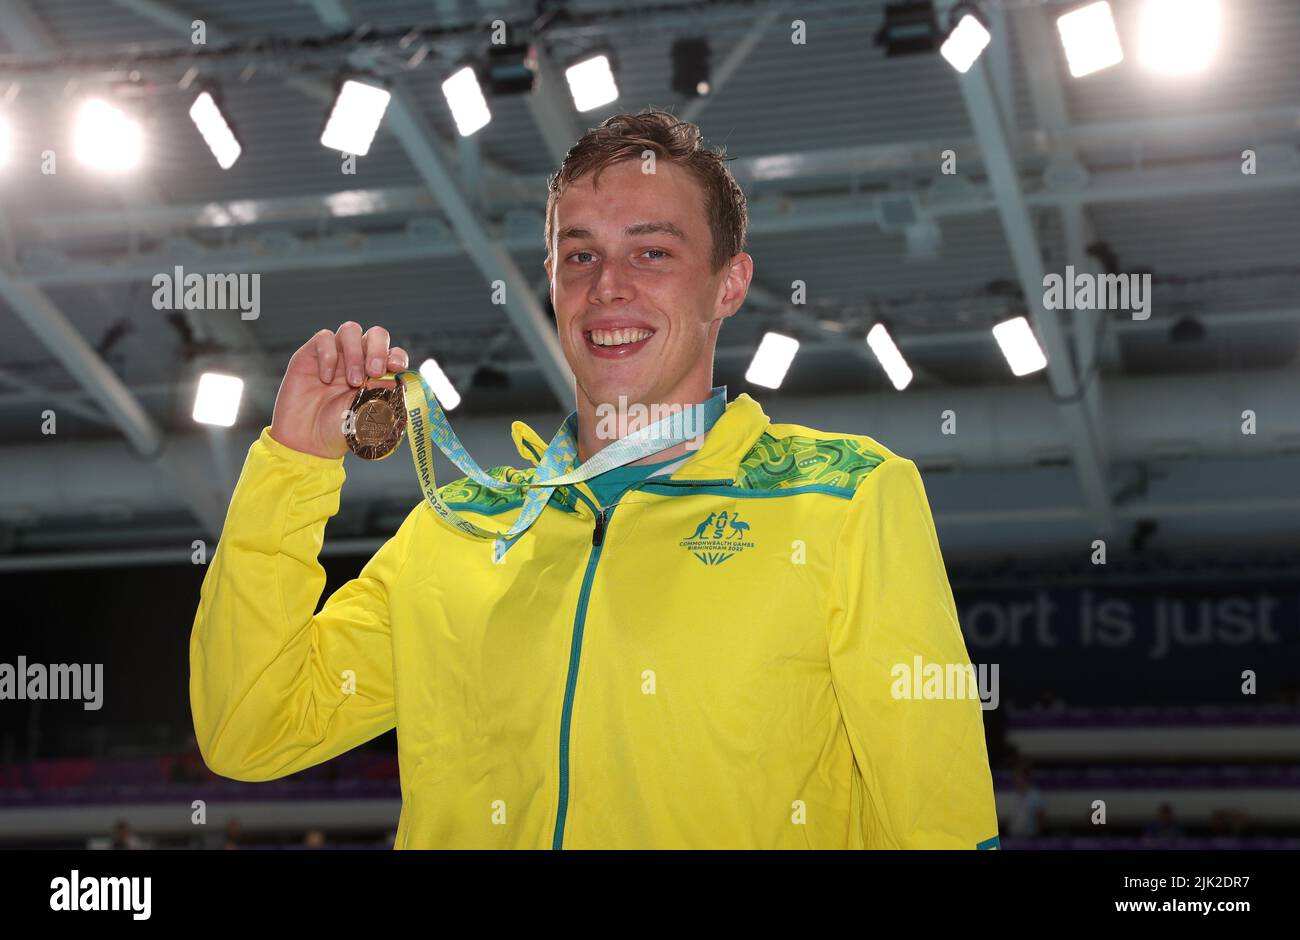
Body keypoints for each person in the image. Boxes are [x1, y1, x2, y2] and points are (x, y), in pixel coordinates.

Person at [189, 108, 998, 849]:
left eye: (653, 251)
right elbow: (251, 727)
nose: (608, 285)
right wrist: (291, 466)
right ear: (549, 279)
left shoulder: (842, 498)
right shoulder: (459, 526)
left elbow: (941, 824)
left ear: (730, 284)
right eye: (580, 254)